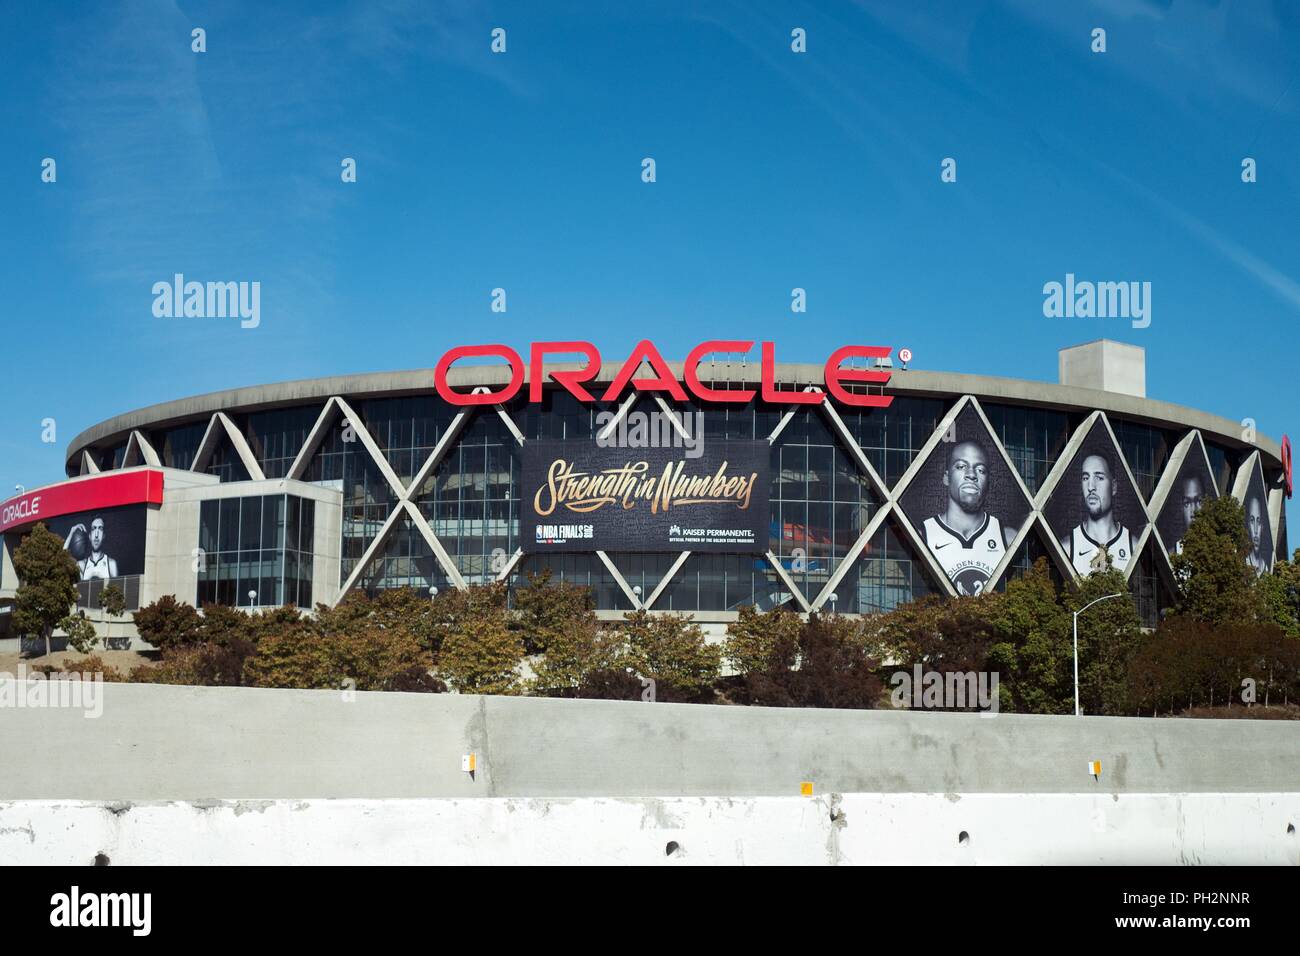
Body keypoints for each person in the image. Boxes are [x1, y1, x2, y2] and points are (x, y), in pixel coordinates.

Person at [921, 439, 1017, 596]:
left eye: (980, 470)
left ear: (988, 482)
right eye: (961, 466)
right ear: (946, 477)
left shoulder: (1008, 537)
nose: (971, 475)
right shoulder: (923, 536)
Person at [1058, 451, 1132, 574]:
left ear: (1113, 487)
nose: (1091, 487)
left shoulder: (1133, 546)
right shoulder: (1066, 547)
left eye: (1099, 478)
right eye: (1085, 478)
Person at [65, 516, 118, 581]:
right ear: (89, 536)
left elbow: (117, 588)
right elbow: (61, 560)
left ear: (104, 535)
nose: (96, 535)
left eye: (100, 529)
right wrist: (72, 532)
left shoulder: (111, 564)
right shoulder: (82, 565)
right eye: (93, 529)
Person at [1171, 474, 1205, 555]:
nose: (1194, 511)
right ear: (1180, 508)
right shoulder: (1172, 554)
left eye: (1199, 501)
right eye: (1187, 503)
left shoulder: (1220, 548)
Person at [1245, 495, 1269, 576]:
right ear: (1247, 525)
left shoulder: (1266, 568)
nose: (1255, 530)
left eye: (1258, 521)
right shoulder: (1243, 562)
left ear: (1262, 526)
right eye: (1252, 520)